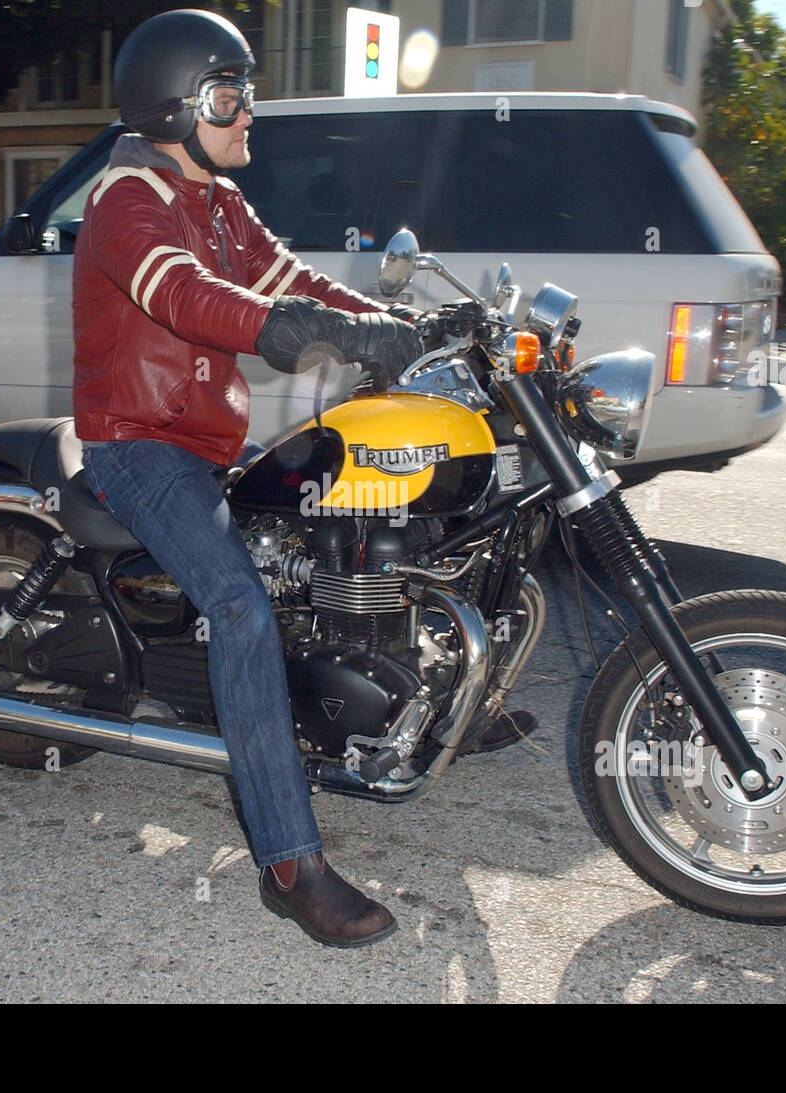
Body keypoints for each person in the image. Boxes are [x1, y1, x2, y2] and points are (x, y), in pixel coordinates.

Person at [72, 9, 528, 947]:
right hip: (137, 442)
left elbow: (296, 281)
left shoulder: (221, 205)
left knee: (347, 519)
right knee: (240, 602)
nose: (248, 116)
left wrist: (398, 328)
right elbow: (184, 295)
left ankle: (434, 702)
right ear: (174, 108)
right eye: (230, 98)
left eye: (246, 97)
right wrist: (284, 333)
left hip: (202, 439)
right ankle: (289, 862)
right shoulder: (127, 200)